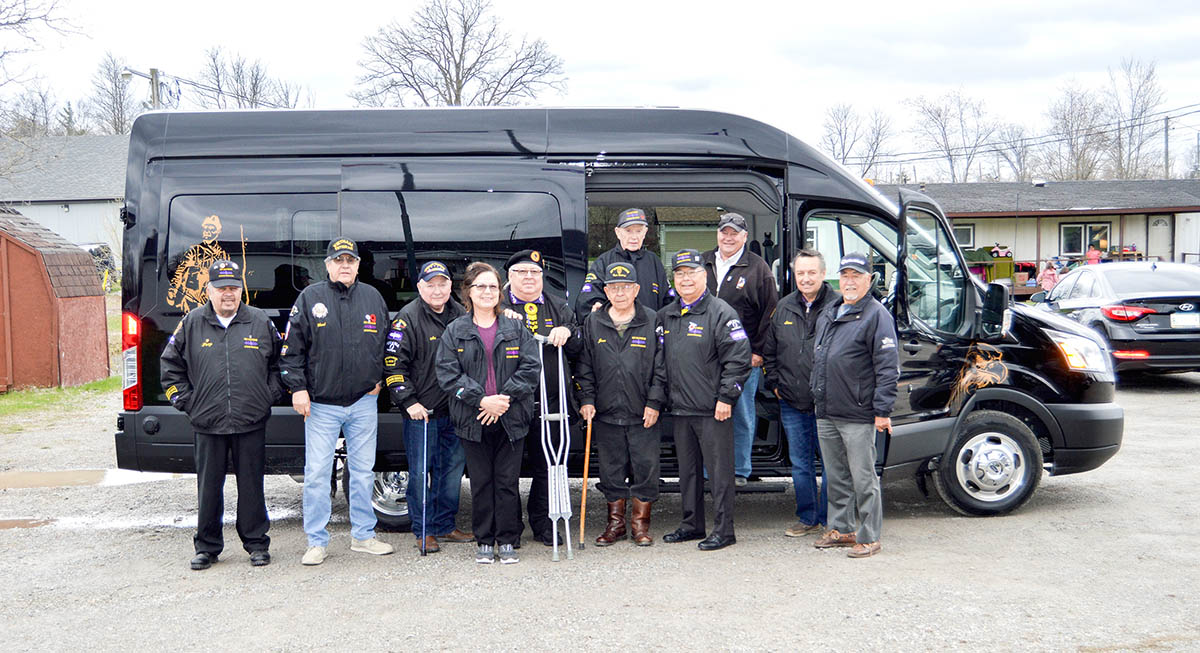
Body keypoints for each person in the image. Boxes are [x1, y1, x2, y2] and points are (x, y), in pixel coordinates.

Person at [160, 259, 283, 570]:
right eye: (222, 288)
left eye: (234, 288)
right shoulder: (191, 323)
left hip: (251, 420)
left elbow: (279, 367)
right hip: (208, 422)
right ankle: (208, 547)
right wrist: (188, 402)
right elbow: (169, 368)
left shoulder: (259, 322)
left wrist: (267, 396)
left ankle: (256, 544)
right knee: (209, 487)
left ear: (241, 290)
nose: (229, 294)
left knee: (252, 486)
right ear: (209, 291)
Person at [280, 237, 394, 566]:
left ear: (358, 265)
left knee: (362, 473)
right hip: (321, 405)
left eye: (350, 260)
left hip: (363, 403)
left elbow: (388, 346)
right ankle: (316, 541)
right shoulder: (310, 298)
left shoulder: (373, 297)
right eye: (338, 260)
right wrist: (297, 389)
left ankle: (363, 536)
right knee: (316, 474)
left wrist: (380, 380)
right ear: (327, 265)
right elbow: (291, 352)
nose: (345, 265)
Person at [436, 262, 541, 565]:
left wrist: (503, 399)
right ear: (468, 291)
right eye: (480, 286)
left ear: (500, 291)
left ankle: (507, 538)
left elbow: (530, 367)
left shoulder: (515, 327)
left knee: (507, 481)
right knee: (481, 482)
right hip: (473, 418)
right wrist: (482, 401)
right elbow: (447, 374)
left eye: (492, 286)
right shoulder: (455, 330)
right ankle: (485, 539)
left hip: (511, 416)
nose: (487, 292)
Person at [659, 249, 751, 551]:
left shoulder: (721, 312)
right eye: (680, 273)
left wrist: (727, 397)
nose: (686, 279)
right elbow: (660, 363)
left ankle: (724, 530)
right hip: (681, 410)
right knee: (688, 473)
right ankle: (692, 524)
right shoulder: (667, 315)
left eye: (692, 273)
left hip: (714, 410)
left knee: (720, 475)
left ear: (705, 276)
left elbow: (738, 360)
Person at [809, 252, 899, 559]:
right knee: (836, 476)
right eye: (845, 275)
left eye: (856, 276)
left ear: (869, 280)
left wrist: (882, 411)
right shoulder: (831, 310)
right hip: (827, 410)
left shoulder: (876, 315)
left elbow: (888, 367)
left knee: (863, 478)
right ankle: (843, 528)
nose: (849, 281)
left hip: (858, 413)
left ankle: (869, 535)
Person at [575, 261, 668, 546]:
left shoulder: (652, 320)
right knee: (610, 471)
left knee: (646, 469)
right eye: (614, 288)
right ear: (605, 290)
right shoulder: (594, 321)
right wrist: (587, 399)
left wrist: (654, 402)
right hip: (605, 413)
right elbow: (584, 365)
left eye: (625, 287)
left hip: (643, 414)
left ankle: (640, 526)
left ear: (636, 289)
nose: (620, 293)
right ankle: (615, 525)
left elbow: (661, 367)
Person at [384, 261, 473, 554]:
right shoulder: (407, 319)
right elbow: (393, 366)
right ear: (420, 287)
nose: (437, 290)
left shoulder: (462, 315)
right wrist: (409, 401)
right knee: (421, 475)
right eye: (430, 284)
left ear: (451, 286)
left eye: (442, 284)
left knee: (451, 475)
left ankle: (445, 526)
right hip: (422, 414)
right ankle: (424, 531)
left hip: (457, 413)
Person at [499, 249, 580, 546]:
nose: (529, 278)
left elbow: (578, 347)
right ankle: (509, 530)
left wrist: (567, 332)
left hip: (552, 402)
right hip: (511, 403)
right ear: (510, 277)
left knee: (550, 467)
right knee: (506, 471)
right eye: (522, 272)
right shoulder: (497, 305)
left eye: (535, 273)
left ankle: (545, 526)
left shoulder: (559, 307)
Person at [763, 250, 838, 538]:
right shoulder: (783, 308)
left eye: (811, 273)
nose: (805, 279)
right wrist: (775, 384)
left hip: (828, 404)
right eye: (800, 274)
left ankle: (831, 518)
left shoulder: (838, 306)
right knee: (800, 464)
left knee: (832, 465)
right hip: (792, 402)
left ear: (822, 273)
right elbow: (770, 351)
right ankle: (807, 517)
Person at [702, 212, 778, 485]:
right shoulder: (703, 262)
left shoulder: (759, 269)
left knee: (742, 414)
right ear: (718, 234)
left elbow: (771, 314)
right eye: (724, 232)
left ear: (745, 237)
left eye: (735, 233)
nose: (729, 237)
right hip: (705, 358)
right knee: (708, 416)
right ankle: (710, 472)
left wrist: (758, 351)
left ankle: (740, 471)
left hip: (743, 358)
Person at [576, 208, 673, 314]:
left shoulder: (654, 261)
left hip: (650, 328)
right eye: (628, 231)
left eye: (639, 231)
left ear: (645, 233)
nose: (634, 237)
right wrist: (597, 309)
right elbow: (587, 301)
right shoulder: (603, 262)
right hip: (615, 329)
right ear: (617, 232)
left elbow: (668, 300)